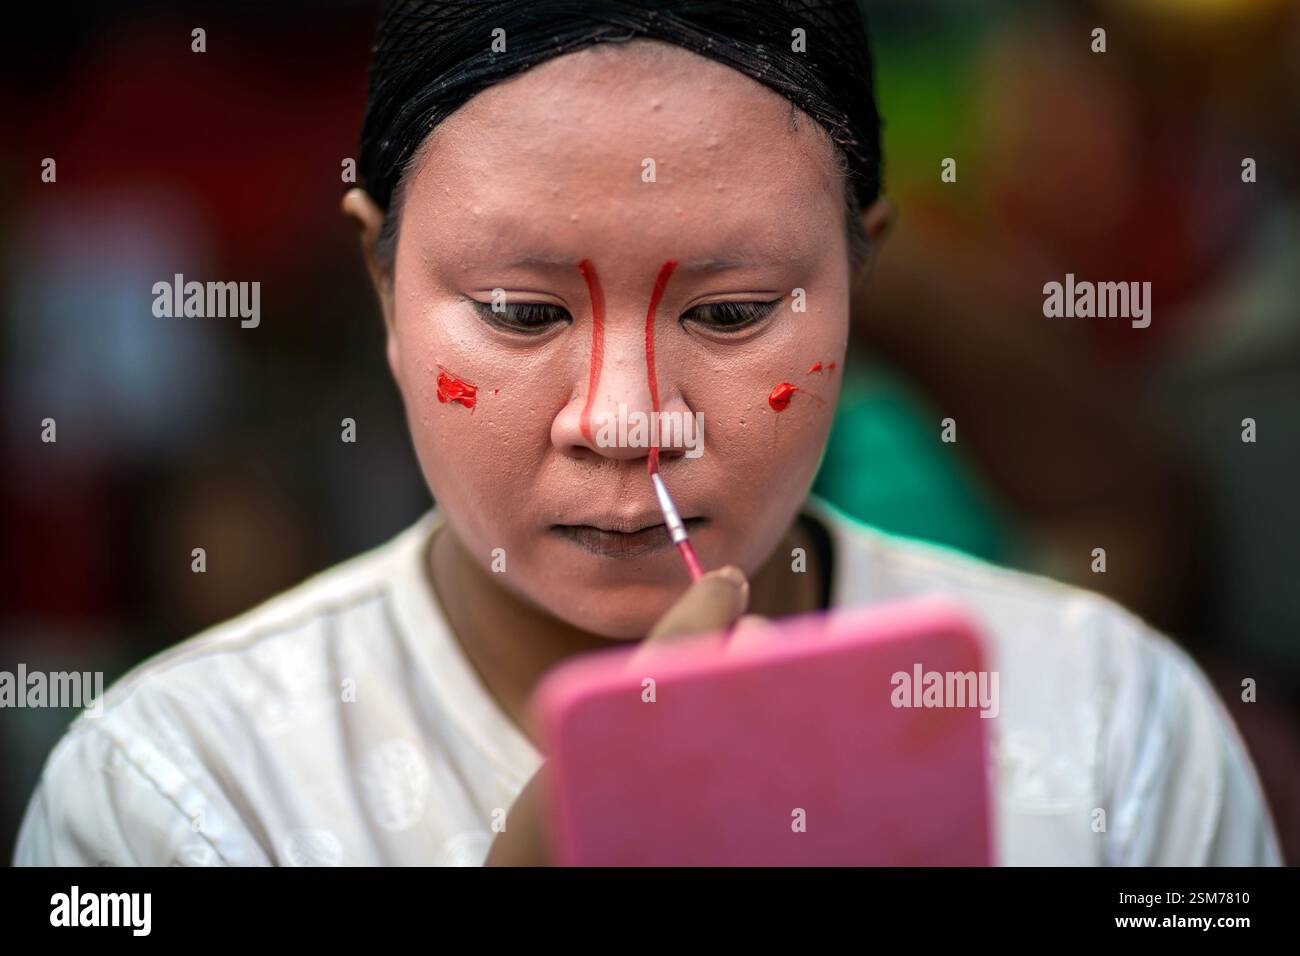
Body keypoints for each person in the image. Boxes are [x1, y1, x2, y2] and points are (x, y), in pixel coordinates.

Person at [14, 0, 1280, 866]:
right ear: (380, 285)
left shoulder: (1114, 725)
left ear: (860, 278)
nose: (627, 420)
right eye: (519, 312)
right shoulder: (173, 791)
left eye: (731, 312)